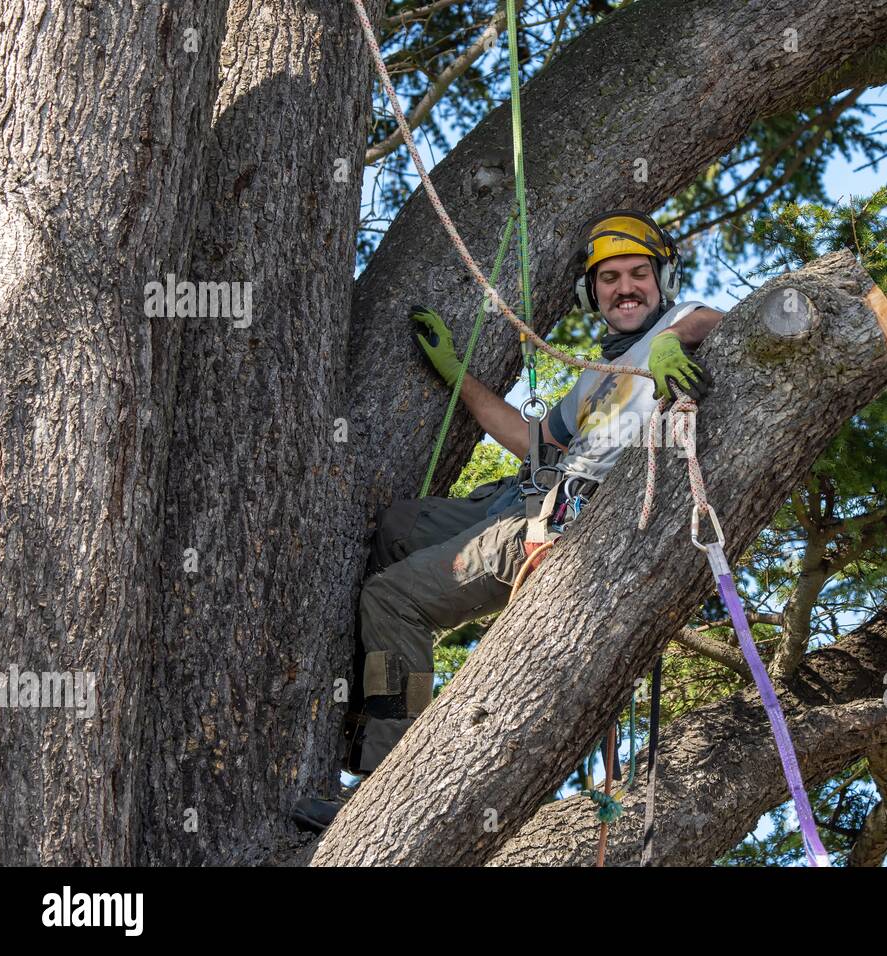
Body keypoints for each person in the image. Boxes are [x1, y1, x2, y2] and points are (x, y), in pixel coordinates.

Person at [291, 209, 725, 831]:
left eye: (638, 274)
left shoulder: (684, 328)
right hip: (525, 491)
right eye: (609, 279)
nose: (625, 288)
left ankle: (383, 779)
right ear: (590, 292)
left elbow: (727, 320)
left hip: (565, 518)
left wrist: (670, 341)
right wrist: (456, 375)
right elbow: (533, 440)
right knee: (396, 528)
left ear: (662, 282)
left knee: (391, 599)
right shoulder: (600, 374)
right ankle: (378, 705)